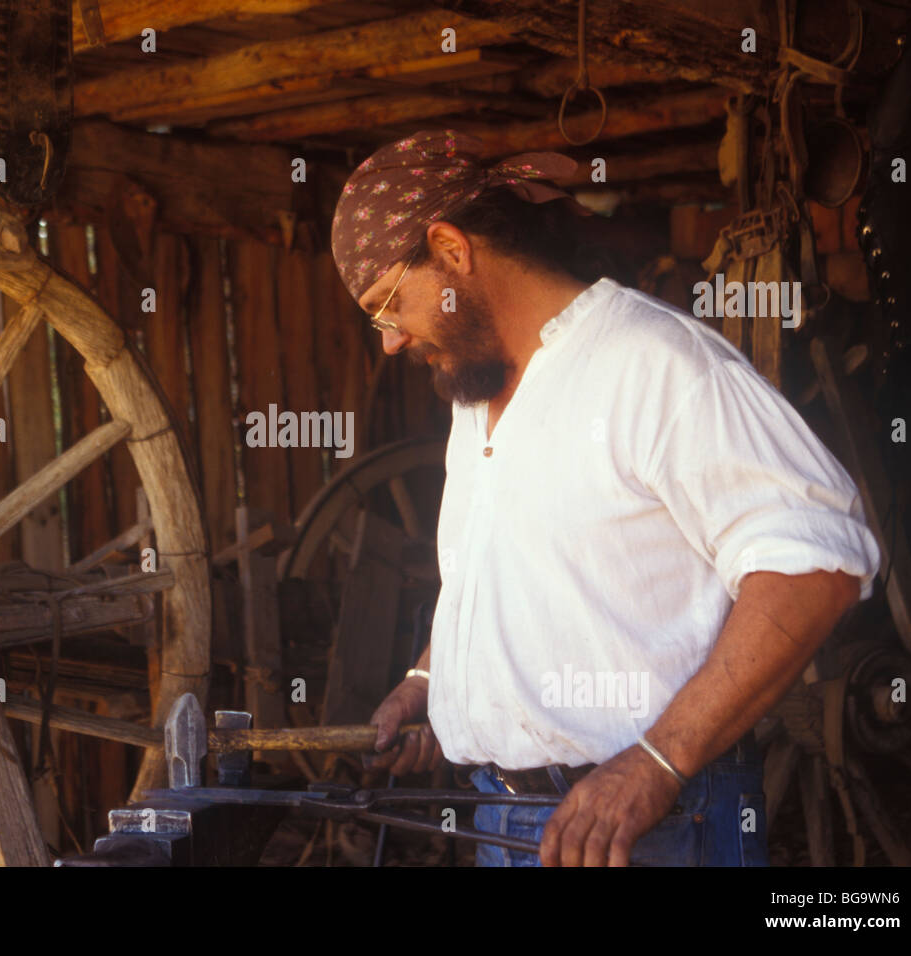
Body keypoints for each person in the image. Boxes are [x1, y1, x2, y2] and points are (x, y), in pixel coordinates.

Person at [329, 129, 881, 867]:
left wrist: (658, 761)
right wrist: (430, 682)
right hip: (508, 821)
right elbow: (497, 575)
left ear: (453, 251)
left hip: (654, 830)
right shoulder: (476, 395)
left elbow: (816, 567)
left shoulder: (656, 366)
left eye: (388, 303)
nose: (390, 340)